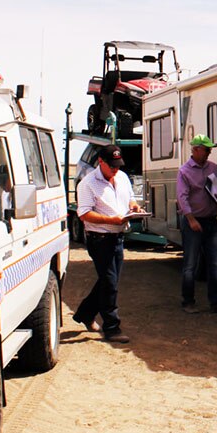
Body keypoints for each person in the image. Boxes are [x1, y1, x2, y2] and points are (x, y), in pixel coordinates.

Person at [72, 144, 141, 343]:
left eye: (118, 165)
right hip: (99, 238)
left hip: (117, 237)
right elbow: (84, 213)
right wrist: (112, 221)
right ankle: (112, 327)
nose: (115, 169)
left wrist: (134, 207)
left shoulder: (122, 177)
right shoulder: (87, 183)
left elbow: (130, 199)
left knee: (108, 281)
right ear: (100, 162)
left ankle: (85, 313)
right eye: (111, 166)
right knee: (109, 282)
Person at [177, 134, 217, 314]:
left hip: (210, 221)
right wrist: (191, 220)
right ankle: (188, 302)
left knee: (214, 263)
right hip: (193, 222)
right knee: (190, 264)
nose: (209, 152)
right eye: (206, 149)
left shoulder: (212, 167)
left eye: (210, 149)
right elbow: (182, 198)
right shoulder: (184, 171)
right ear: (195, 150)